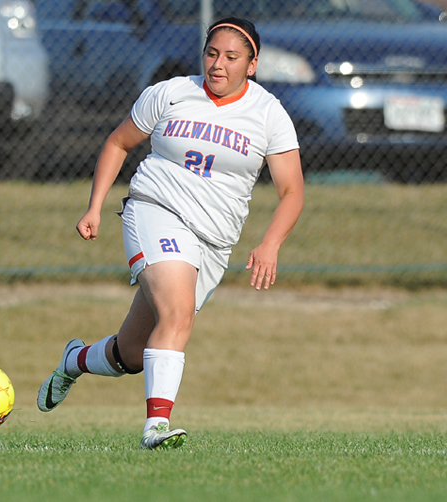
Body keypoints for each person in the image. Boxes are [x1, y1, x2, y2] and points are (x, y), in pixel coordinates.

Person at [36, 17, 304, 449]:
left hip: (213, 241)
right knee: (177, 314)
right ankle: (156, 426)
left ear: (252, 65)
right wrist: (94, 208)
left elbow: (292, 191)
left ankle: (75, 360)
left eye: (232, 57)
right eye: (212, 53)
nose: (218, 65)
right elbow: (118, 143)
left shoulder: (268, 113)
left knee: (131, 353)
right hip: (155, 210)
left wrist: (271, 243)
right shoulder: (170, 93)